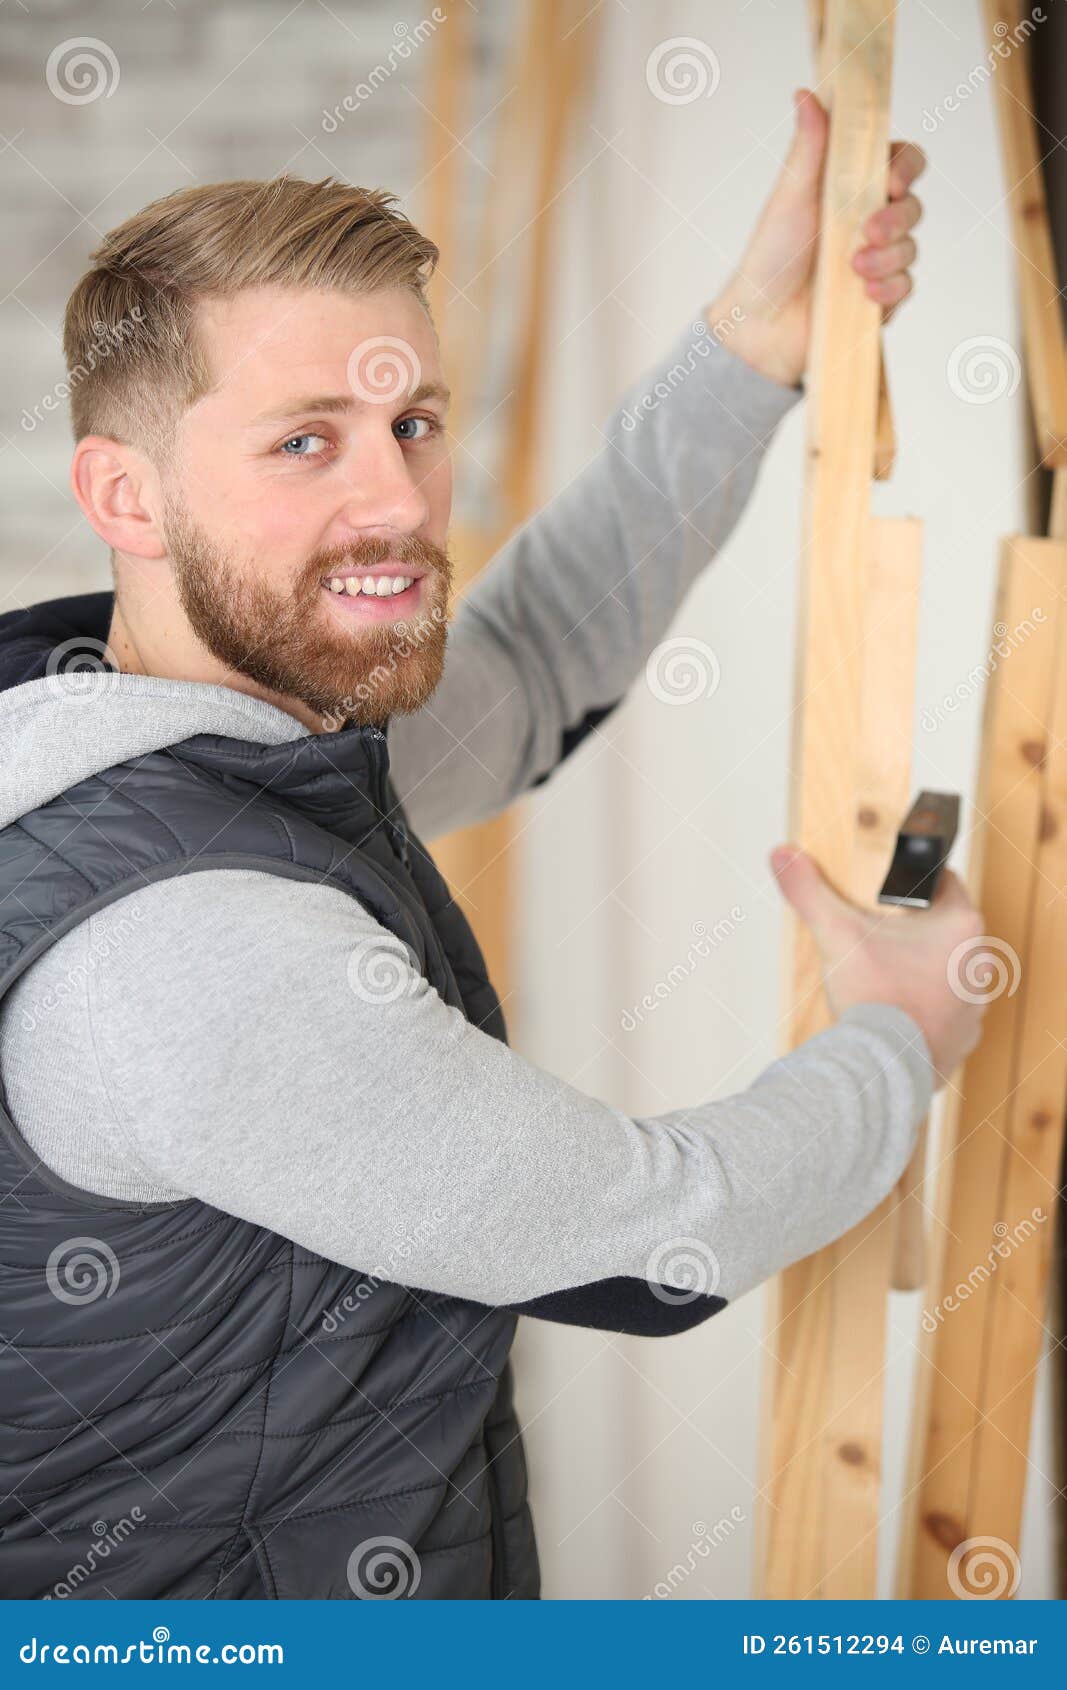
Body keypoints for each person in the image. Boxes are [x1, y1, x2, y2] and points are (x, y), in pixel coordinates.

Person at [0, 91, 984, 1601]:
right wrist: (902, 1036)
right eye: (302, 442)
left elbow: (528, 667)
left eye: (412, 423)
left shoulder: (216, 720)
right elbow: (665, 1235)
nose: (394, 500)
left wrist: (756, 340)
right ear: (124, 494)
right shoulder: (184, 946)